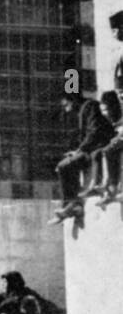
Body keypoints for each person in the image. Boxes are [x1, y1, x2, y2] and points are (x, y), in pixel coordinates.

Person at [51, 92, 114, 221]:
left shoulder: (90, 106)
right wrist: (76, 151)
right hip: (91, 149)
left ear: (72, 101)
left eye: (66, 105)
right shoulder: (82, 111)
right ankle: (72, 205)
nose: (66, 109)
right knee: (65, 165)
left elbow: (94, 131)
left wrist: (80, 150)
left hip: (99, 147)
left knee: (65, 166)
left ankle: (72, 205)